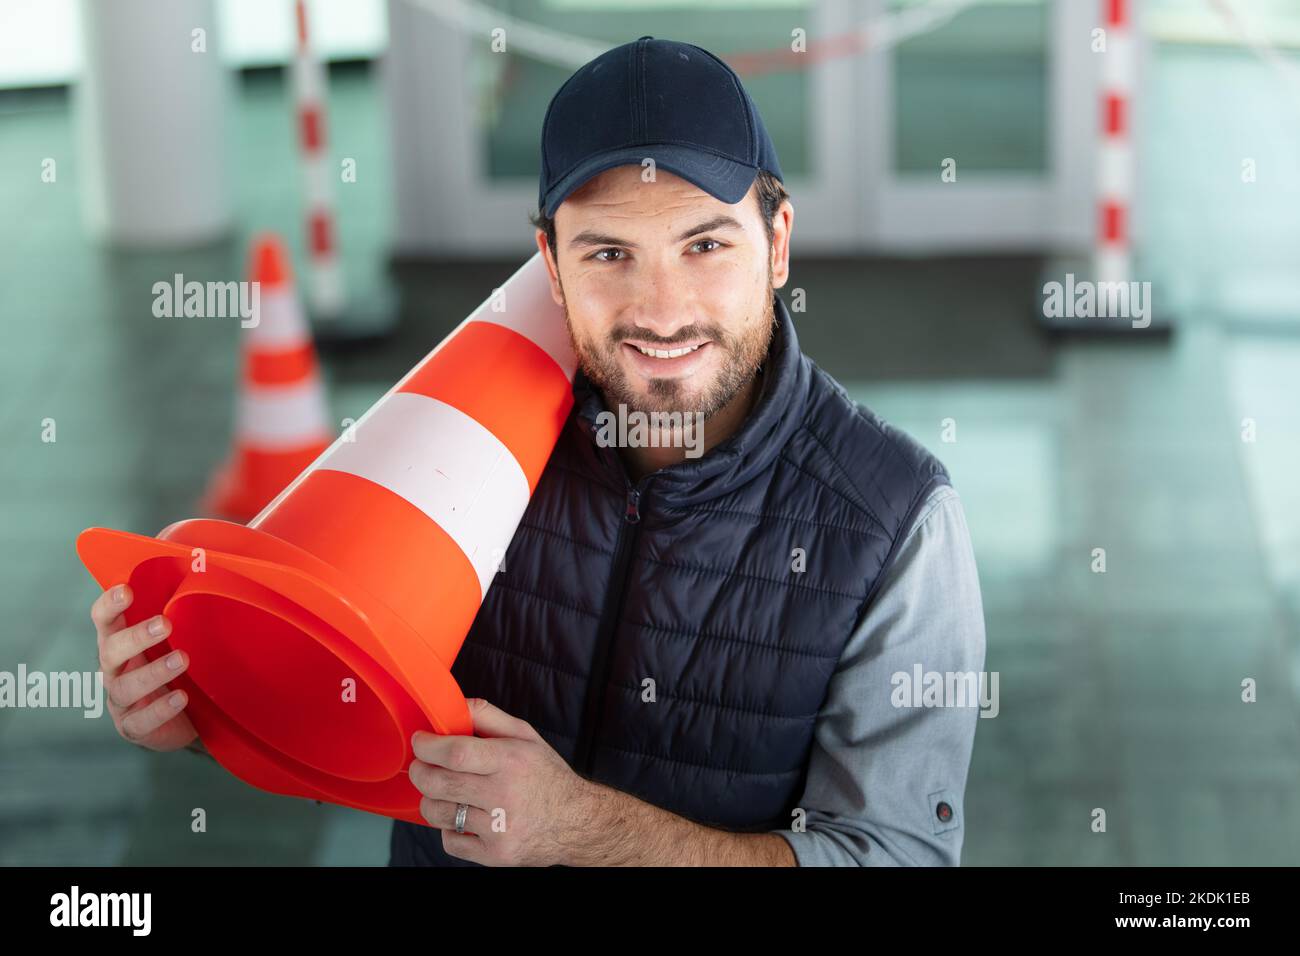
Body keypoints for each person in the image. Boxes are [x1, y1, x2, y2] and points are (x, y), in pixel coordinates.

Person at [90, 36, 985, 867]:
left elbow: (893, 852)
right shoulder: (451, 441)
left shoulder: (896, 520)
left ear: (778, 242)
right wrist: (200, 706)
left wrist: (583, 829)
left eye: (705, 244)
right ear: (549, 267)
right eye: (608, 254)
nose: (662, 310)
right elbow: (338, 690)